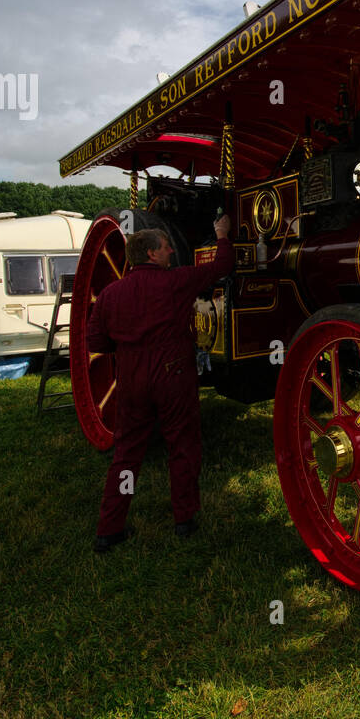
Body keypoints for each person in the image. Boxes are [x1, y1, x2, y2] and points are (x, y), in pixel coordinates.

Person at [86, 214, 235, 552]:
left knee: (127, 455)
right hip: (173, 375)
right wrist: (222, 234)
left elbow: (95, 342)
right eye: (167, 248)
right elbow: (221, 266)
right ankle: (183, 519)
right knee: (181, 447)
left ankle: (110, 529)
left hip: (132, 379)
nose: (171, 252)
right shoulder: (175, 281)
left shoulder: (111, 293)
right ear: (151, 254)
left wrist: (128, 348)